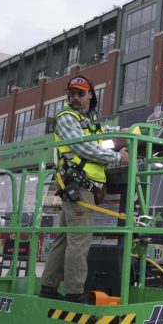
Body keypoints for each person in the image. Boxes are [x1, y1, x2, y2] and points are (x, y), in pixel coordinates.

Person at [40, 75, 129, 303]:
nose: (75, 97)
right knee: (79, 240)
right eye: (72, 93)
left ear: (90, 95)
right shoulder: (67, 117)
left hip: (79, 188)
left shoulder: (88, 120)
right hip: (78, 188)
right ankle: (74, 293)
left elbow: (100, 135)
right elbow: (84, 148)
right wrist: (118, 157)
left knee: (64, 239)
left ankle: (48, 288)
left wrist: (125, 131)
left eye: (80, 93)